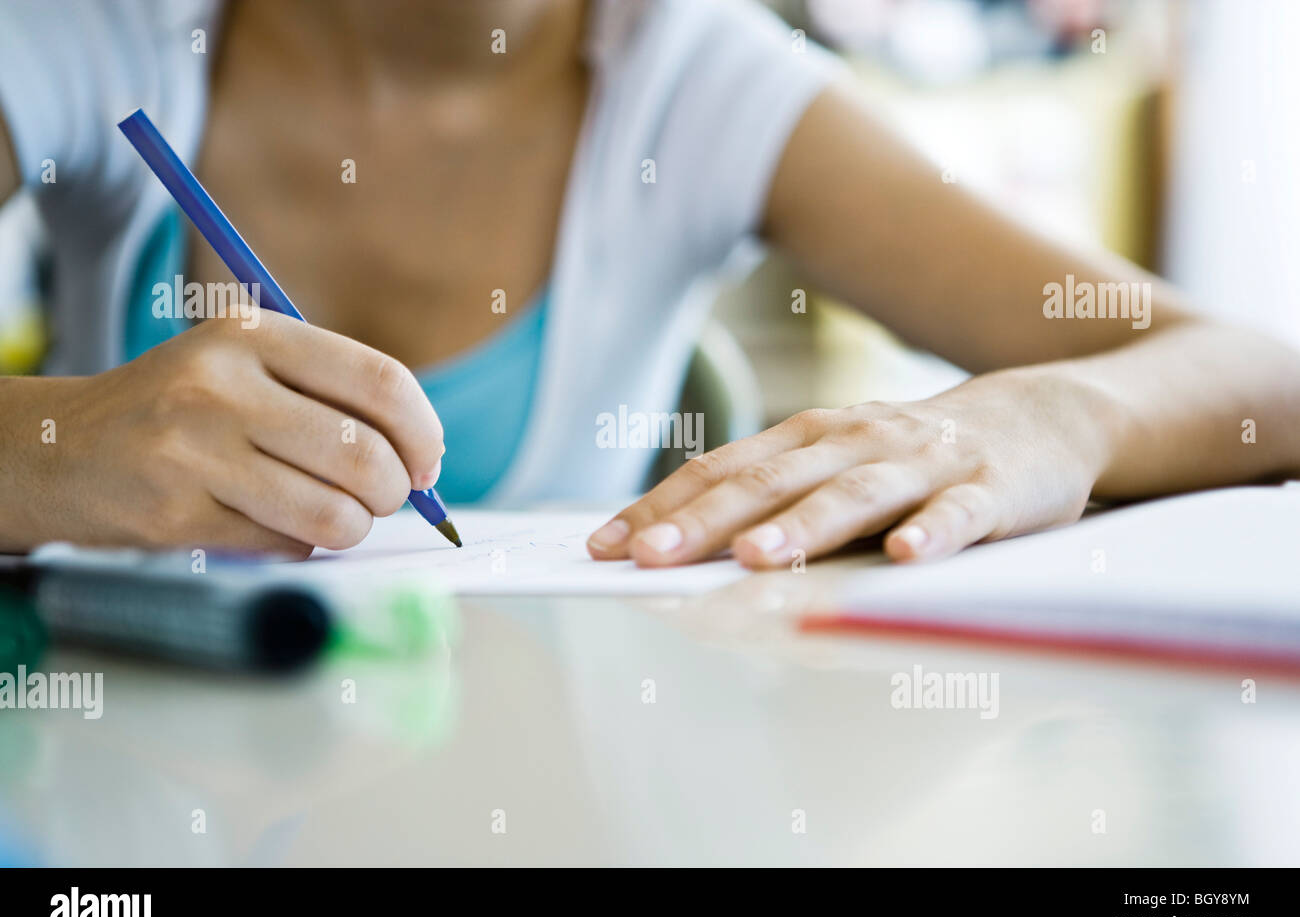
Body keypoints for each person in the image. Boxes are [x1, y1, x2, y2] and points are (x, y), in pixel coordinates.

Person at [0, 0, 1296, 569]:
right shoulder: (95, 27)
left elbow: (1266, 384)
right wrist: (49, 447)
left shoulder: (700, 78)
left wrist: (1046, 417)